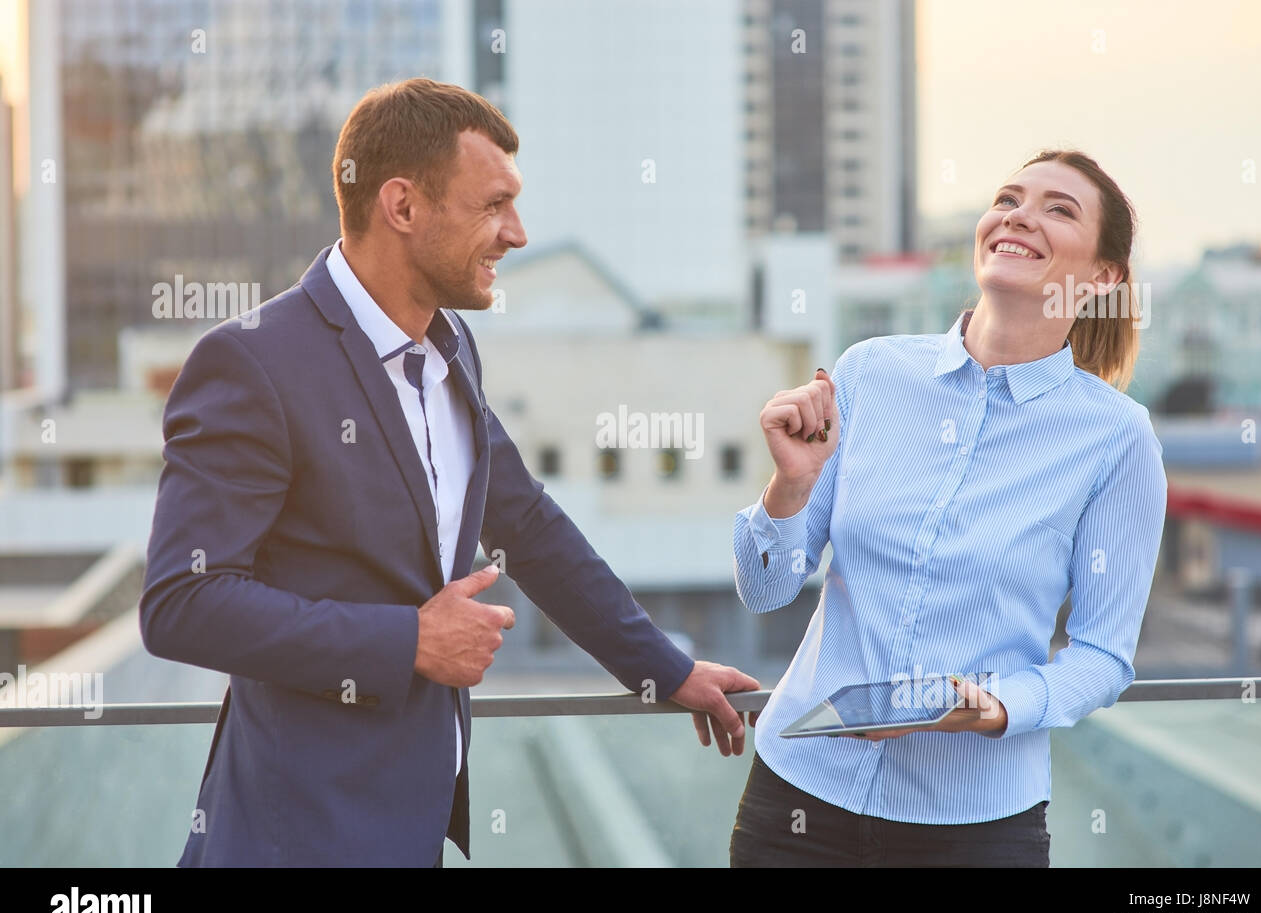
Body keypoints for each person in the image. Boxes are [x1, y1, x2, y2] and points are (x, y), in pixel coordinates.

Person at [139, 78, 758, 867]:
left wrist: (665, 669)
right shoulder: (253, 362)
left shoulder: (452, 345)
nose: (519, 233)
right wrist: (408, 640)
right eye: (492, 205)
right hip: (291, 837)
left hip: (415, 828)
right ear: (401, 206)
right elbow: (182, 602)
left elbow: (526, 524)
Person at [729, 149, 1168, 867]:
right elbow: (763, 587)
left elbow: (1104, 656)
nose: (1019, 214)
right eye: (1008, 198)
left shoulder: (1117, 440)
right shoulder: (869, 371)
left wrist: (1001, 706)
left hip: (974, 830)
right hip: (796, 801)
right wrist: (789, 487)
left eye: (1059, 209)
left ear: (1103, 277)